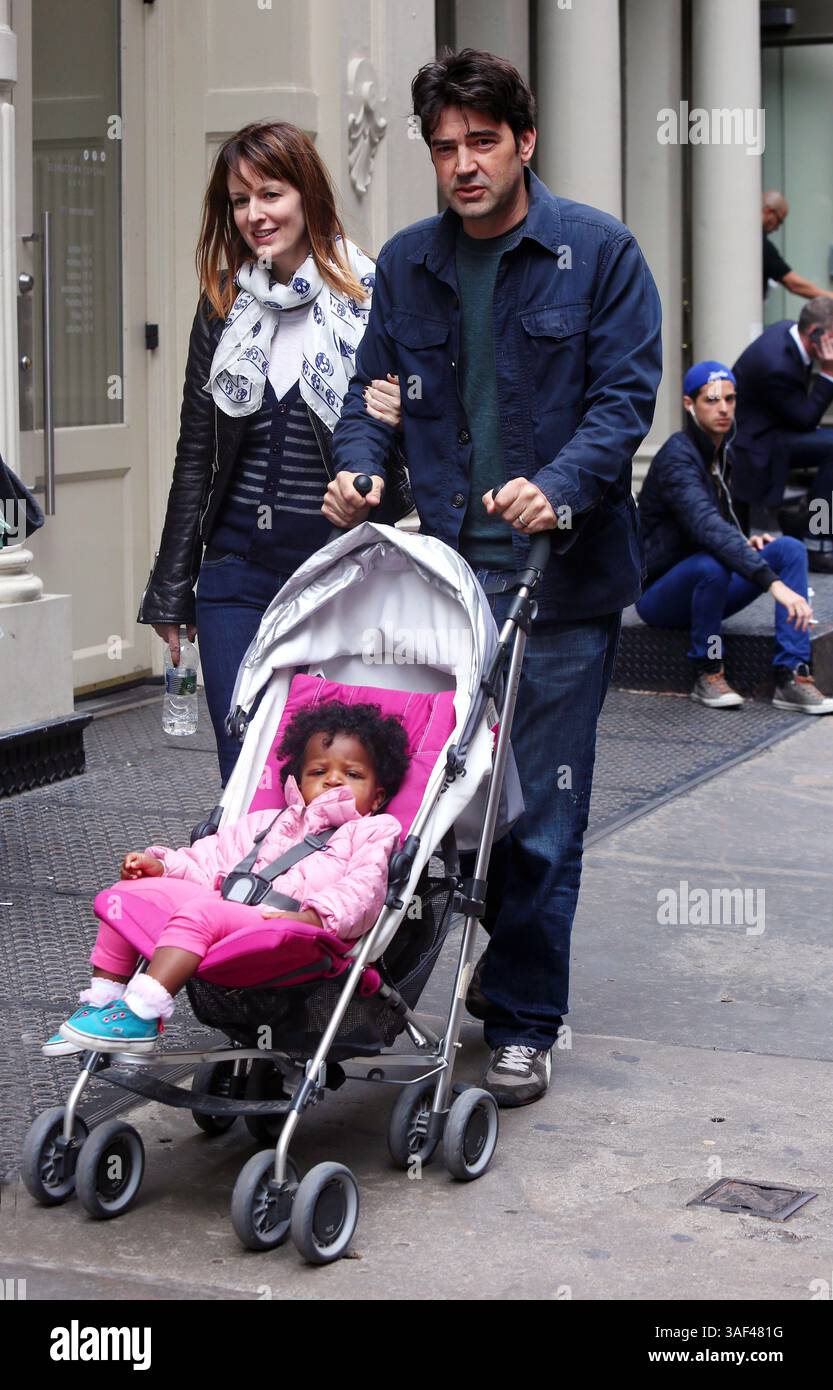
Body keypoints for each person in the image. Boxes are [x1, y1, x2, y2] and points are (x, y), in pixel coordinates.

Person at [324, 49, 662, 1106]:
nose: (462, 165)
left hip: (557, 588)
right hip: (441, 589)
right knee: (419, 800)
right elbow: (370, 395)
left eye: (481, 142)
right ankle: (388, 985)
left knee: (538, 813)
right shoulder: (408, 263)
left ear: (523, 142)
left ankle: (520, 1020)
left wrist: (553, 487)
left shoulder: (597, 254)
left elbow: (622, 399)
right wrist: (356, 468)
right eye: (444, 148)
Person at [136, 121, 405, 786]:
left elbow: (408, 462)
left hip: (335, 577)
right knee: (247, 774)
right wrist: (172, 590)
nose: (253, 215)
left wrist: (402, 426)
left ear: (307, 193)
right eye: (237, 199)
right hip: (235, 577)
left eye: (270, 193)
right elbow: (194, 455)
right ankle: (248, 888)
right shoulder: (224, 305)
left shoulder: (372, 298)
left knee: (323, 775)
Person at [42, 702, 409, 1056]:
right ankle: (103, 1004)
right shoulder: (265, 821)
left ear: (377, 797)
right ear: (297, 779)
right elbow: (211, 859)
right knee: (128, 894)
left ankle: (140, 1014)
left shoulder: (373, 831)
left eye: (352, 774)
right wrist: (164, 867)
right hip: (226, 912)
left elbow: (363, 890)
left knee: (204, 912)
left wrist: (315, 917)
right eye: (318, 772)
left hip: (293, 930)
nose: (333, 780)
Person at [636, 361, 833, 714]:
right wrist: (772, 584)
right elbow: (705, 526)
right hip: (658, 594)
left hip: (707, 582)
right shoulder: (677, 458)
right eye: (711, 400)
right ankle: (708, 671)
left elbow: (721, 520)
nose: (723, 408)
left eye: (729, 399)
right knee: (712, 565)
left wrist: (746, 543)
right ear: (688, 404)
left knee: (788, 548)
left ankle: (792, 674)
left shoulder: (720, 452)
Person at [731, 297, 833, 572]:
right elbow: (805, 419)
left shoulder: (790, 331)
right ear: (816, 334)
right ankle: (817, 540)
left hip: (775, 428)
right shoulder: (776, 364)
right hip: (756, 443)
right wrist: (828, 371)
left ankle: (802, 520)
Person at [761, 191, 833, 301]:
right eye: (779, 221)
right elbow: (793, 284)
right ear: (768, 211)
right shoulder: (760, 246)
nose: (777, 228)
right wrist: (829, 296)